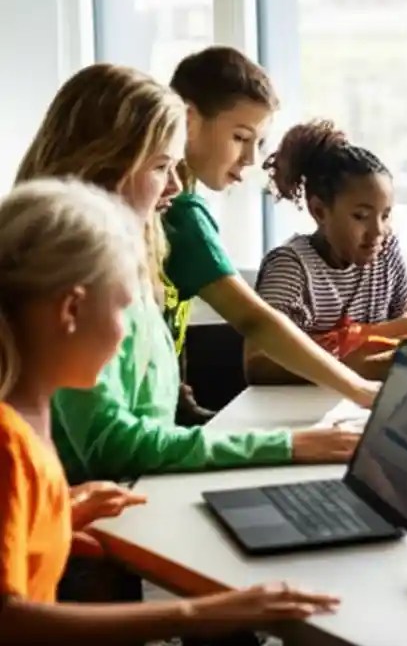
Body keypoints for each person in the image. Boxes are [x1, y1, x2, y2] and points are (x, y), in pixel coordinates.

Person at [0, 179, 339, 642]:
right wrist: (202, 613)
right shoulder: (10, 444)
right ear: (71, 310)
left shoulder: (27, 421)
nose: (126, 334)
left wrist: (60, 515)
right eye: (124, 310)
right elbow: (11, 620)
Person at [15, 63, 359, 483]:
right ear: (104, 162)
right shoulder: (66, 276)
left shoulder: (140, 243)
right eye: (161, 168)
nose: (175, 188)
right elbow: (110, 444)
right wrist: (287, 445)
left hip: (135, 489)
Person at [166, 46, 378, 405]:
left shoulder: (178, 205)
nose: (250, 159)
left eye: (258, 143)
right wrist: (360, 389)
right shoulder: (182, 213)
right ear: (189, 121)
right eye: (240, 138)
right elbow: (258, 322)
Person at [249, 119, 407, 382]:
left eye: (385, 216)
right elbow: (258, 364)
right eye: (361, 216)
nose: (377, 232)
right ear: (319, 211)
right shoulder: (291, 267)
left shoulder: (386, 253)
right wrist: (369, 347)